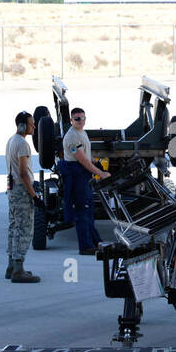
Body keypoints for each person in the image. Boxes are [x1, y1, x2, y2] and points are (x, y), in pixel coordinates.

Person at [60, 107, 109, 255]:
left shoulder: (82, 132)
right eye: (77, 119)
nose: (81, 121)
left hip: (83, 176)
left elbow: (86, 155)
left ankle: (96, 242)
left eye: (83, 118)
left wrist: (95, 160)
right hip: (77, 177)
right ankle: (86, 246)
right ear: (71, 120)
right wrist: (100, 173)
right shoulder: (72, 137)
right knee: (82, 211)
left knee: (89, 211)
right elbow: (82, 161)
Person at [6, 111, 42, 282]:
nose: (34, 127)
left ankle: (11, 266)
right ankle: (18, 270)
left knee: (14, 227)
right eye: (31, 124)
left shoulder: (11, 141)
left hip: (13, 190)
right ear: (22, 125)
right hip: (21, 191)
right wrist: (34, 196)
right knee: (24, 229)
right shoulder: (22, 144)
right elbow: (23, 173)